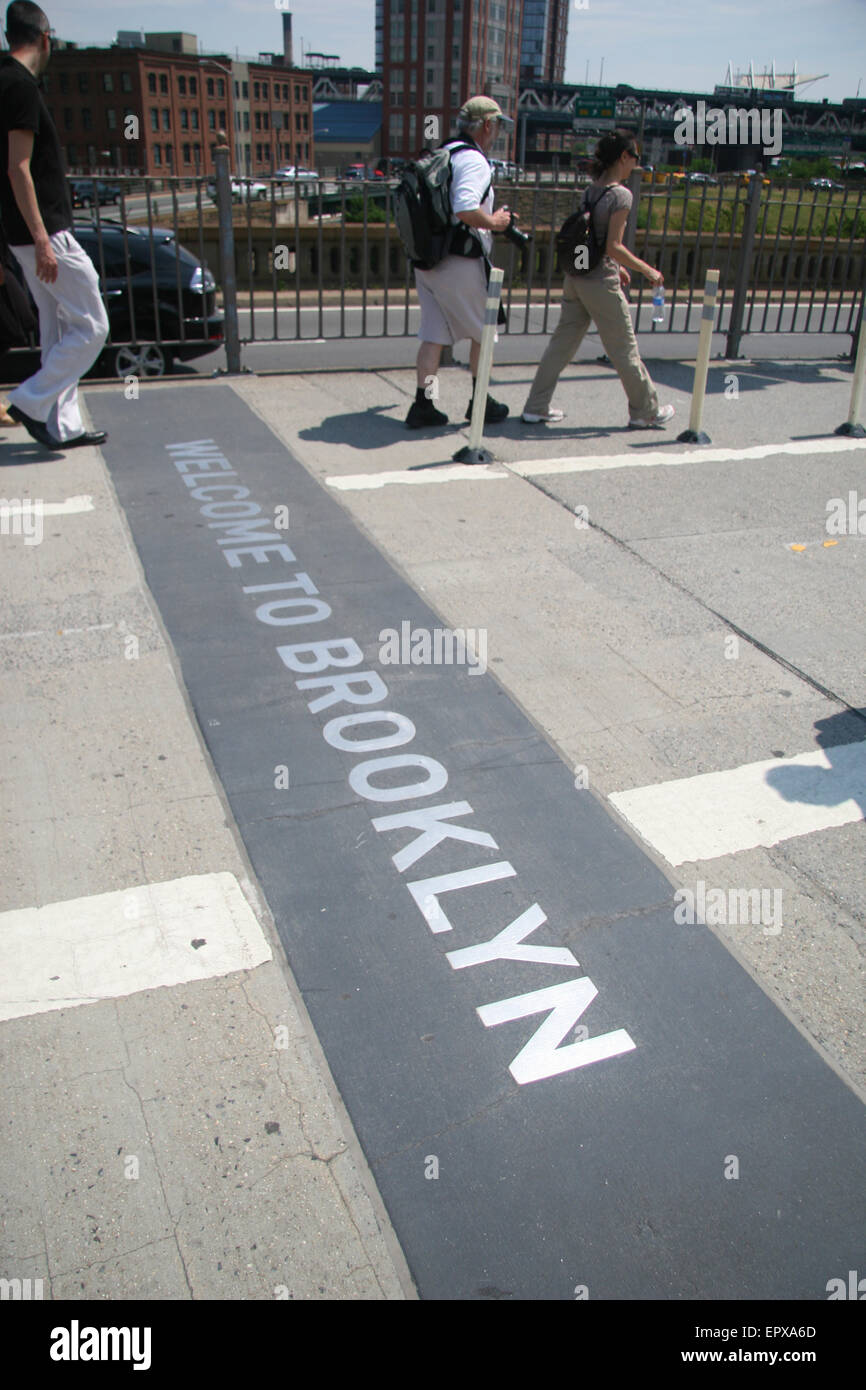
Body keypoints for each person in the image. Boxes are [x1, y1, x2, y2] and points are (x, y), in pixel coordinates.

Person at [0, 1, 108, 450]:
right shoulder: (19, 86)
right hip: (46, 231)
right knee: (93, 326)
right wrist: (44, 239)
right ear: (45, 38)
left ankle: (63, 425)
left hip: (22, 232)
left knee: (58, 327)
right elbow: (18, 168)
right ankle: (29, 400)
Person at [521, 129, 674, 429]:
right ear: (624, 157)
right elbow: (612, 245)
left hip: (576, 278)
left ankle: (536, 406)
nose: (637, 165)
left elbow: (593, 239)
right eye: (636, 158)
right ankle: (645, 410)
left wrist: (619, 267)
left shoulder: (592, 190)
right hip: (600, 283)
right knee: (623, 348)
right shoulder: (621, 195)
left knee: (561, 345)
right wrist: (647, 270)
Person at [406, 95, 515, 430]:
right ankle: (479, 400)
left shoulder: (441, 154)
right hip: (460, 259)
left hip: (427, 260)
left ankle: (425, 405)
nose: (497, 132)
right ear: (486, 125)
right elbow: (465, 208)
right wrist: (496, 222)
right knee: (485, 331)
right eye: (497, 126)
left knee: (434, 334)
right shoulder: (475, 161)